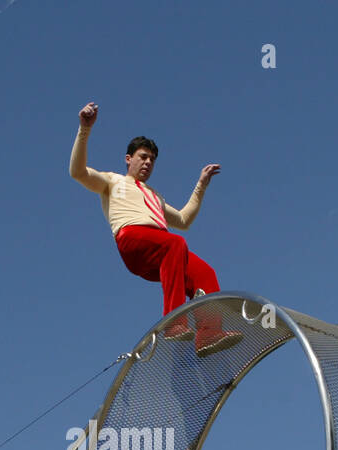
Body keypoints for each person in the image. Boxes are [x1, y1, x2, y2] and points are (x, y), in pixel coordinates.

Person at [69, 101, 242, 357]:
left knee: (204, 272)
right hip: (133, 240)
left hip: (158, 254)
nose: (148, 162)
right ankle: (173, 323)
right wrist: (84, 129)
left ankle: (207, 333)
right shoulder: (113, 181)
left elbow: (183, 220)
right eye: (143, 157)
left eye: (152, 159)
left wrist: (201, 185)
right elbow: (78, 172)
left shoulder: (155, 197)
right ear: (129, 159)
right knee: (175, 243)